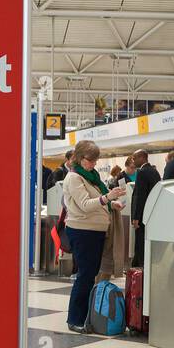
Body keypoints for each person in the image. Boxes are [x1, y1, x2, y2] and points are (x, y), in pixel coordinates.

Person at [62, 140, 118, 332]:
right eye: (90, 160)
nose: (93, 164)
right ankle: (75, 319)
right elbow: (85, 205)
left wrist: (112, 204)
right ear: (79, 157)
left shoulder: (91, 177)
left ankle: (85, 316)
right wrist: (108, 198)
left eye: (95, 160)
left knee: (90, 274)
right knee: (85, 275)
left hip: (94, 231)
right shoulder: (74, 178)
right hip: (82, 231)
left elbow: (96, 200)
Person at [129, 149, 159, 268]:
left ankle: (140, 267)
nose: (133, 160)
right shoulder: (154, 172)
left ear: (142, 157)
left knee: (140, 243)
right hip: (152, 214)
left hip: (142, 215)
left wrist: (136, 217)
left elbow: (139, 196)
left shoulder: (142, 172)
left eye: (134, 158)